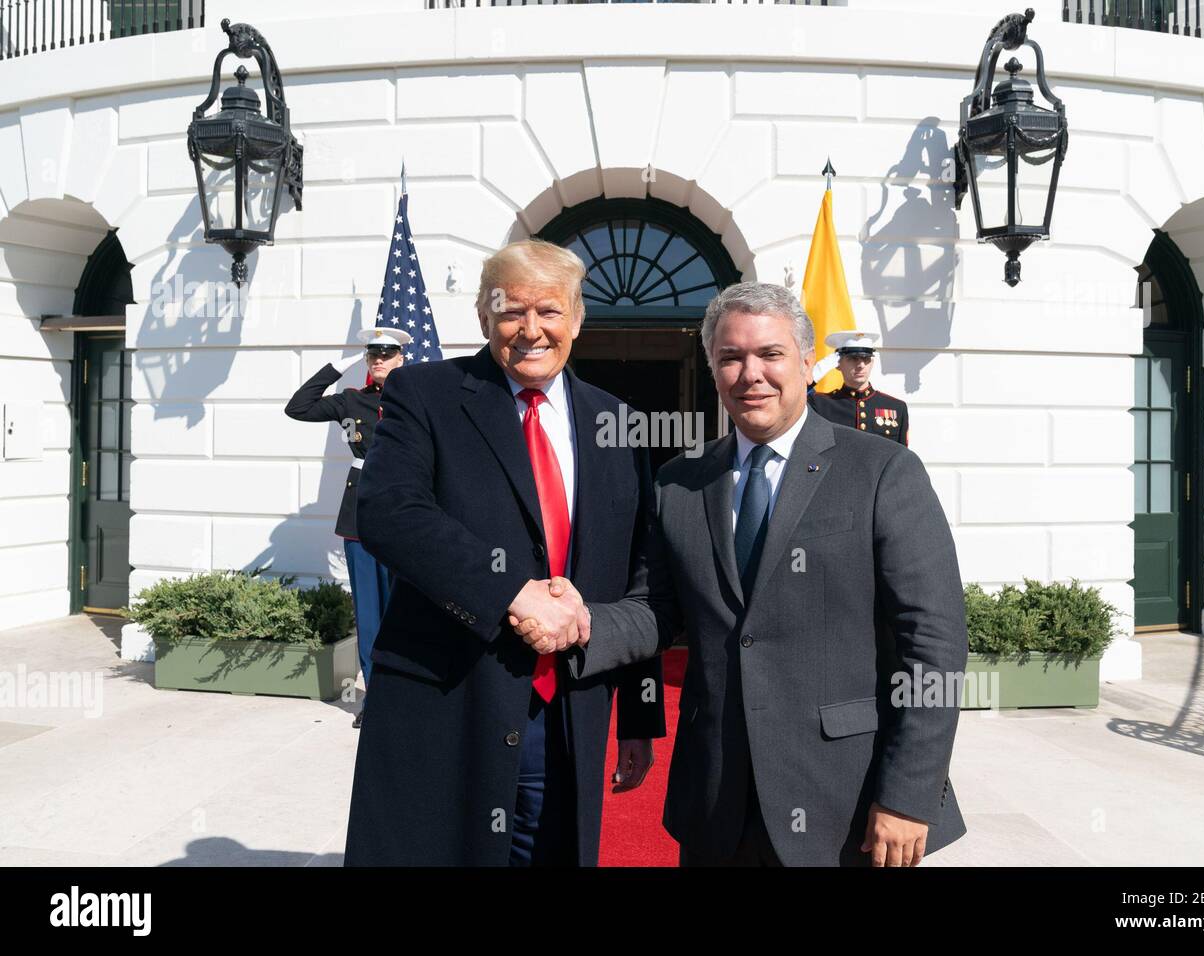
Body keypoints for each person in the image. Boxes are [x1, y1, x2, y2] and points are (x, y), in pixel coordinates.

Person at [519, 282, 967, 867]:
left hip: (846, 801)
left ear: (807, 362)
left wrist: (909, 796)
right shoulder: (680, 481)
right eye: (731, 357)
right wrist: (579, 624)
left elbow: (933, 644)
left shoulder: (883, 472)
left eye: (770, 355)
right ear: (713, 369)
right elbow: (657, 609)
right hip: (716, 798)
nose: (750, 373)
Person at [342, 240, 665, 866]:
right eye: (511, 310)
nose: (531, 329)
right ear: (484, 318)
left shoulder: (618, 421)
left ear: (576, 318)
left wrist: (639, 715)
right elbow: (389, 512)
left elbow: (641, 574)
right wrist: (510, 594)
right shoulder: (424, 393)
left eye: (549, 310)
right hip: (448, 707)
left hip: (569, 711)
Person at [284, 327, 410, 728]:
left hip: (407, 515)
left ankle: (407, 693)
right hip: (360, 516)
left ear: (401, 358)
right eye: (373, 355)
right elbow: (298, 407)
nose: (378, 361)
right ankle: (376, 698)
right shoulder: (352, 400)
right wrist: (338, 365)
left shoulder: (418, 399)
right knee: (370, 613)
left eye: (386, 355)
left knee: (404, 613)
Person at [809, 330, 910, 444]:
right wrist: (814, 375)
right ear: (838, 364)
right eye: (853, 359)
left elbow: (901, 457)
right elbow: (791, 402)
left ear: (872, 362)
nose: (861, 365)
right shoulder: (820, 404)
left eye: (866, 359)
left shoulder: (896, 407)